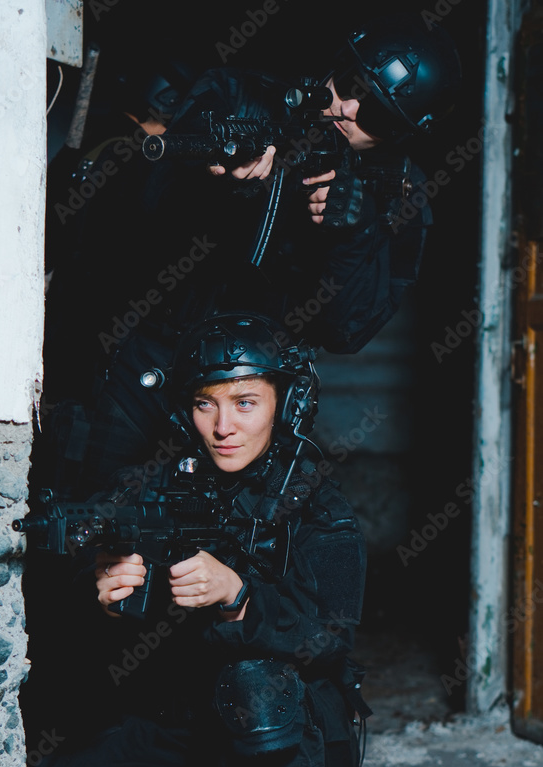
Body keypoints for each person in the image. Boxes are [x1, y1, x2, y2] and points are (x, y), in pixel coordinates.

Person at [25, 313, 370, 767]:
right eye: (204, 403)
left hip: (273, 728)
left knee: (255, 685)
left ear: (284, 404)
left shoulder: (315, 508)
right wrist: (105, 592)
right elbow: (96, 618)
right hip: (174, 720)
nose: (223, 425)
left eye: (245, 402)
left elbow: (330, 638)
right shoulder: (162, 487)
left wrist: (240, 595)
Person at [52, 12, 462, 496]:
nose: (349, 108)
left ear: (398, 134)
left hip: (256, 401)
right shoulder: (238, 95)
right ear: (336, 64)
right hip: (150, 366)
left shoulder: (399, 193)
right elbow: (139, 216)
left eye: (375, 115)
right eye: (350, 84)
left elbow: (346, 331)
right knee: (101, 518)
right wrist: (219, 185)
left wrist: (355, 233)